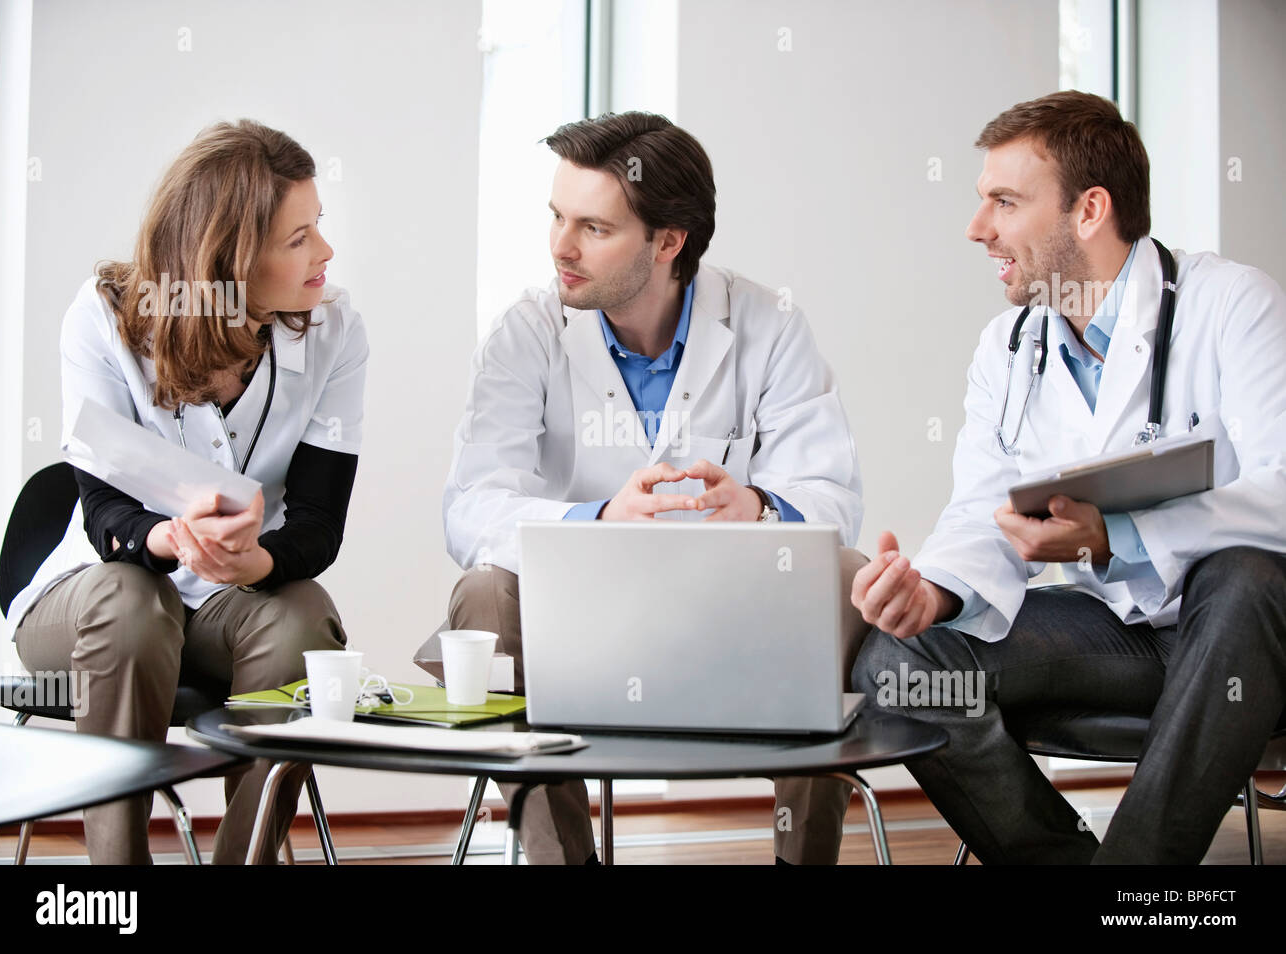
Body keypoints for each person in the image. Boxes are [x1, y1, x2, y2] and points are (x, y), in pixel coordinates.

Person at [848, 91, 1286, 864]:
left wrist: (1118, 535)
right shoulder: (1008, 345)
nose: (977, 228)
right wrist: (935, 593)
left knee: (1246, 575)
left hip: (1237, 638)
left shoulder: (1231, 305)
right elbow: (983, 504)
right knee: (897, 664)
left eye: (1004, 202)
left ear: (1089, 209)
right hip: (1119, 639)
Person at [426, 111, 867, 865]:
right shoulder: (526, 332)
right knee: (482, 593)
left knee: (844, 577)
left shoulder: (769, 325)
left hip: (732, 624)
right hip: (582, 632)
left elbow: (833, 495)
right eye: (558, 218)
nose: (561, 247)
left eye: (594, 228)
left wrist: (756, 507)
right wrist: (601, 518)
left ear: (669, 241)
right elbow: (469, 507)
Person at [6, 120, 369, 864]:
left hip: (224, 606)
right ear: (230, 259)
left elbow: (319, 526)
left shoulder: (335, 331)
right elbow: (106, 512)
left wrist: (256, 566)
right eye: (298, 238)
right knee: (132, 600)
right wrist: (174, 539)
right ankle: (116, 886)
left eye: (319, 227)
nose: (325, 254)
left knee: (302, 613)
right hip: (90, 603)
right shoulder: (104, 321)